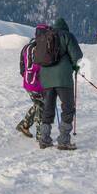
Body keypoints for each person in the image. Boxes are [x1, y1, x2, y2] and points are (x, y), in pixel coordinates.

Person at [36, 16, 84, 150]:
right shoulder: (67, 35)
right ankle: (63, 140)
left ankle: (44, 139)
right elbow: (77, 55)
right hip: (63, 78)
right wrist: (74, 66)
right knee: (68, 108)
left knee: (48, 108)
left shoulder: (45, 36)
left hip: (45, 78)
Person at [14, 25, 48, 139]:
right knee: (42, 105)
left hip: (28, 82)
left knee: (38, 104)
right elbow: (43, 66)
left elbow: (22, 66)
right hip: (38, 83)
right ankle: (40, 135)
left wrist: (26, 76)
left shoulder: (26, 47)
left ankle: (24, 125)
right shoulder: (41, 48)